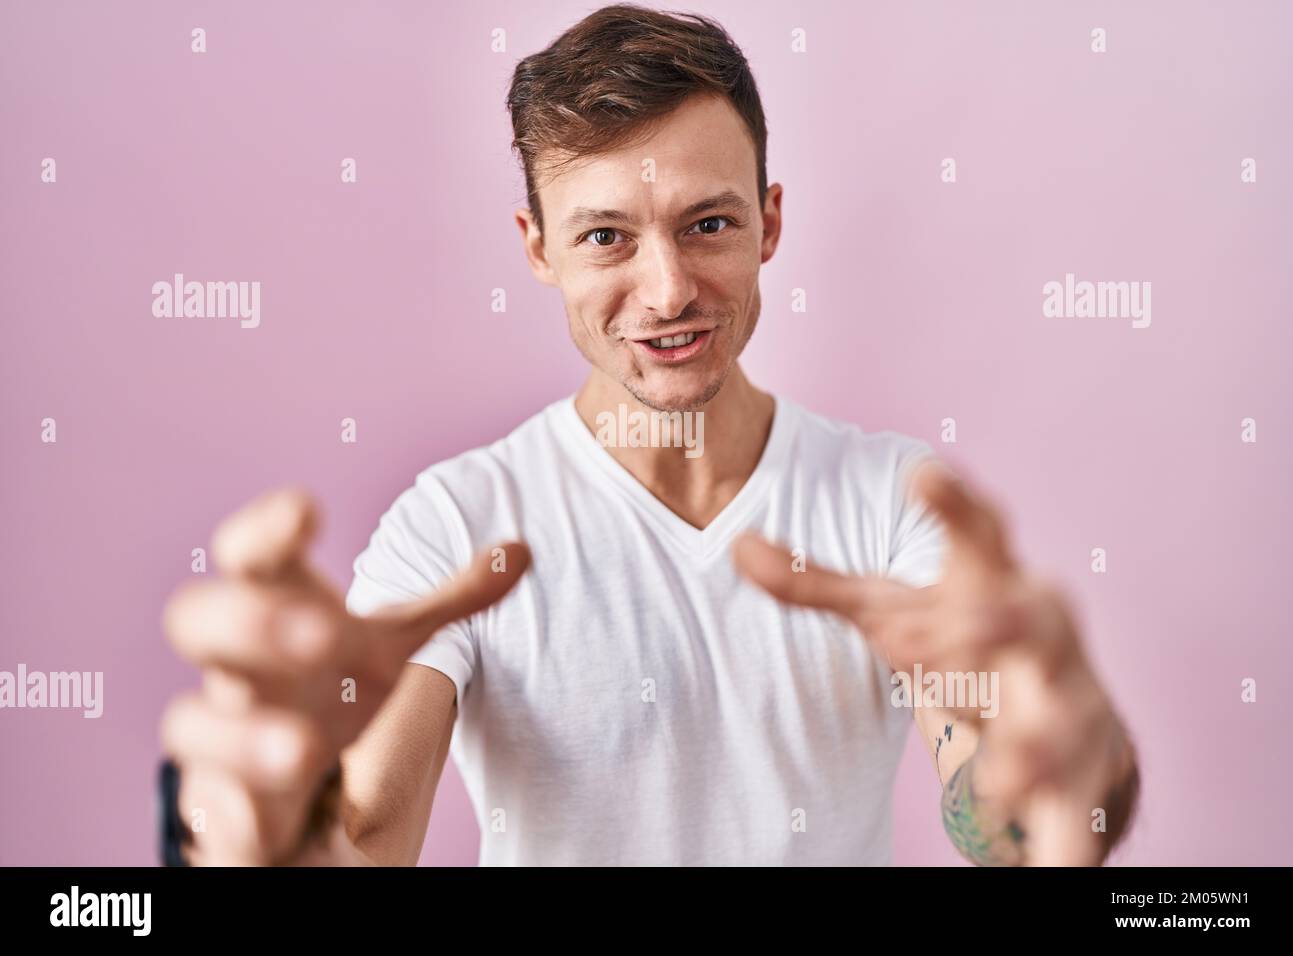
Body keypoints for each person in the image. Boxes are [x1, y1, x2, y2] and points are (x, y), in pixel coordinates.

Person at [159, 4, 1138, 866]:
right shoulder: (458, 525)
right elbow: (368, 833)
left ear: (768, 221)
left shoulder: (890, 503)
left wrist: (1063, 782)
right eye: (605, 236)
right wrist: (273, 832)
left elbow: (997, 797)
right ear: (537, 247)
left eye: (707, 223)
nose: (667, 290)